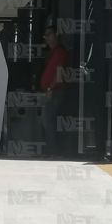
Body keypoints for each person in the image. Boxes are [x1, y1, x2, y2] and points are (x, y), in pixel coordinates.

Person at [40, 24, 70, 156]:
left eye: (50, 34)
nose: (47, 38)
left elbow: (59, 73)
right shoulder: (53, 52)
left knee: (47, 120)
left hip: (55, 91)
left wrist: (50, 88)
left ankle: (52, 151)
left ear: (56, 35)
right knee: (47, 120)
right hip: (52, 90)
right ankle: (51, 150)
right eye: (45, 36)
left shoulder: (59, 52)